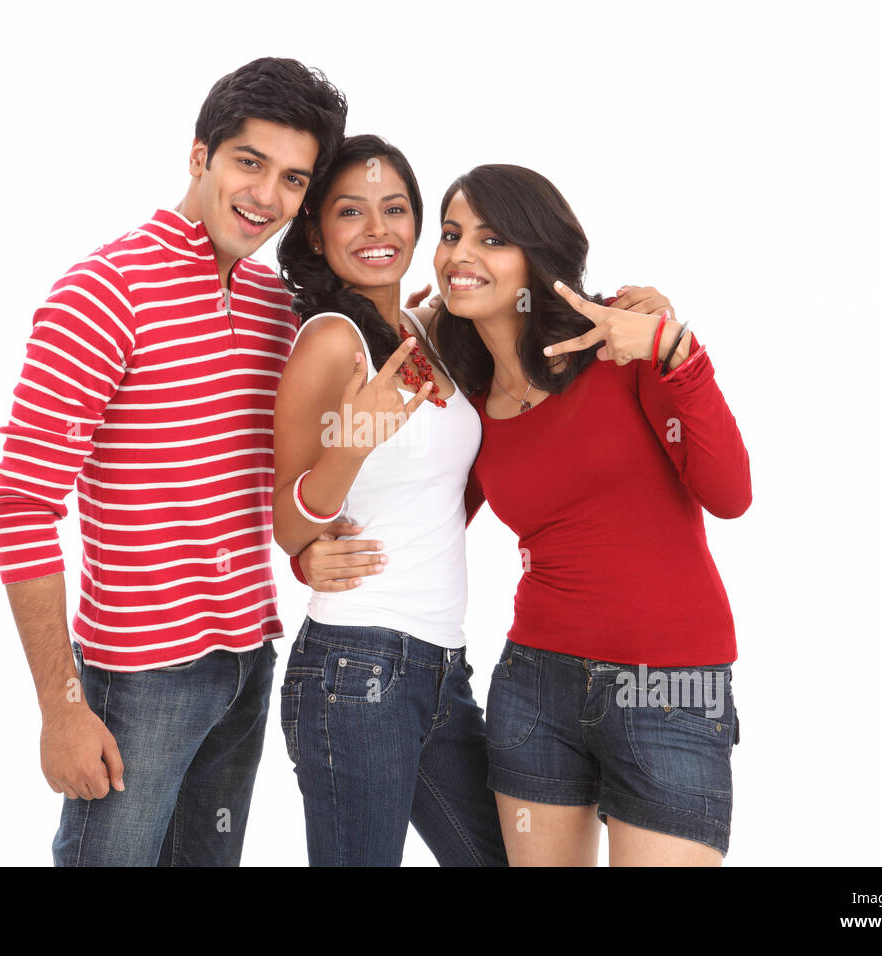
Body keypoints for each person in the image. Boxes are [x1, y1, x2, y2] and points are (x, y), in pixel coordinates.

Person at [299, 163, 751, 865]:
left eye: (494, 237)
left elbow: (731, 495)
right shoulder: (471, 396)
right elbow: (430, 504)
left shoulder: (624, 347)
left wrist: (675, 350)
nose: (461, 254)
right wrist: (310, 550)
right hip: (535, 688)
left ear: (536, 258)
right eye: (451, 234)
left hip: (671, 685)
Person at [0, 57, 347, 866]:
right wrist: (62, 705)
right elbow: (21, 508)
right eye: (249, 162)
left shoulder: (273, 306)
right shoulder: (102, 293)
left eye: (292, 179)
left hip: (249, 659)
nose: (265, 196)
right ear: (199, 156)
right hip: (138, 682)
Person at [271, 135, 508, 866]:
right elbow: (286, 518)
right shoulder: (330, 341)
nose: (378, 231)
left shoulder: (424, 330)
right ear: (317, 231)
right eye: (351, 212)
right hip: (357, 666)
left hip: (441, 669)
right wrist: (358, 437)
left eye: (396, 210)